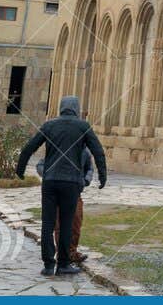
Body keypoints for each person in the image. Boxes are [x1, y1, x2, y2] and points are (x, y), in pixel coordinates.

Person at [16, 95, 107, 277]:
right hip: (71, 182)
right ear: (76, 109)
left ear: (61, 108)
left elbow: (29, 148)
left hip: (50, 181)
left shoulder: (49, 125)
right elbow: (98, 151)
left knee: (48, 223)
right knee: (66, 223)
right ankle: (63, 264)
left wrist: (20, 169)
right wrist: (102, 176)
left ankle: (48, 265)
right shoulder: (83, 126)